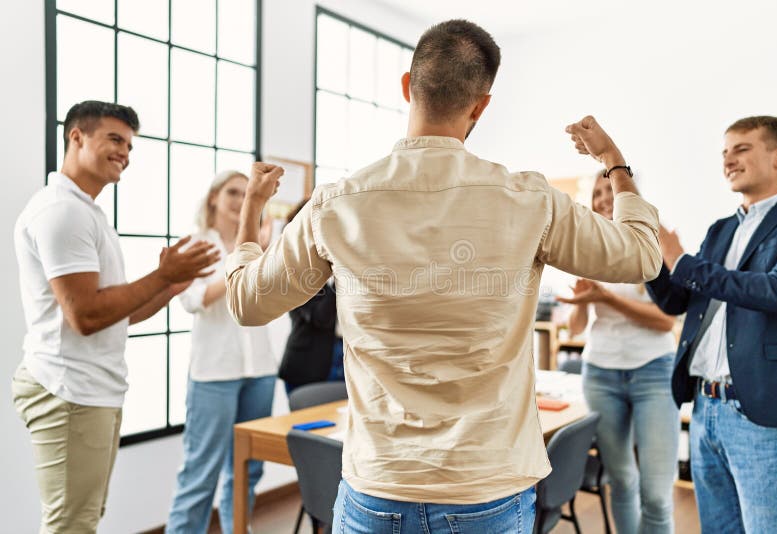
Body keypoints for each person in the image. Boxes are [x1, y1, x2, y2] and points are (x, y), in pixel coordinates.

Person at [226, 19, 662, 533]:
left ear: (408, 85)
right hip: (486, 487)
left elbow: (247, 303)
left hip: (377, 486)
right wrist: (614, 162)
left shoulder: (336, 204)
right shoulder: (530, 200)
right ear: (481, 105)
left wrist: (250, 214)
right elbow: (641, 255)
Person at [12, 100, 218, 533]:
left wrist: (169, 286)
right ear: (76, 136)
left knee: (84, 517)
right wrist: (162, 273)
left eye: (129, 145)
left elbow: (116, 314)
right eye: (114, 139)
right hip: (69, 390)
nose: (125, 152)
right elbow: (84, 316)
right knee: (72, 524)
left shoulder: (86, 211)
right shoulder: (61, 210)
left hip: (90, 390)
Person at [647, 115, 777, 533]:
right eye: (724, 152)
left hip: (759, 414)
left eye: (742, 149)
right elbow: (678, 300)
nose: (728, 160)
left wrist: (681, 260)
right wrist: (653, 260)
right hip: (705, 410)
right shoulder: (720, 230)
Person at [558, 171, 679, 534]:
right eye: (596, 193)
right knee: (621, 481)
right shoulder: (588, 244)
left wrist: (605, 297)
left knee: (656, 494)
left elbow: (665, 320)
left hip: (654, 372)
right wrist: (583, 300)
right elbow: (576, 327)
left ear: (630, 195)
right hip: (600, 373)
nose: (602, 199)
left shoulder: (655, 239)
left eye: (609, 190)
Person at [165, 170, 278, 533]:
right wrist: (242, 261)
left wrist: (261, 254)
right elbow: (193, 300)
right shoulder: (196, 246)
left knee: (247, 471)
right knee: (201, 473)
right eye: (232, 191)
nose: (240, 199)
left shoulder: (258, 247)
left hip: (259, 370)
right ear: (213, 196)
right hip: (214, 373)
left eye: (247, 194)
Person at [279, 200, 344, 394]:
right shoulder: (295, 268)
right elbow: (321, 317)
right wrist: (339, 269)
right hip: (309, 366)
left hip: (344, 357)